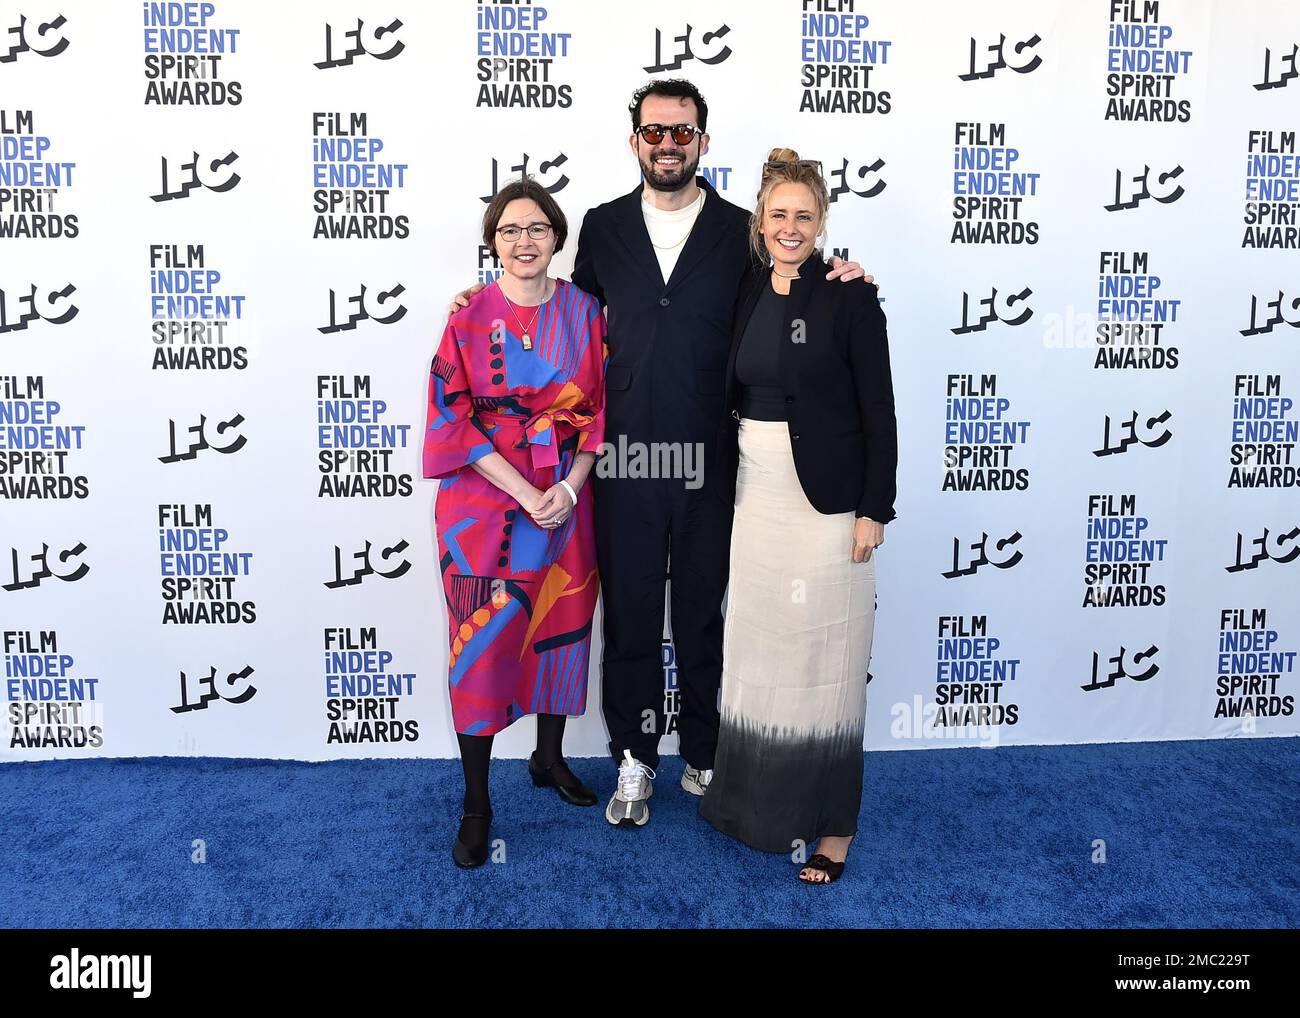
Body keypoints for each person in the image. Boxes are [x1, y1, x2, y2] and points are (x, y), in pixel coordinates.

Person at [453, 79, 874, 829]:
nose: (668, 143)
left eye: (682, 131)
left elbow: (789, 282)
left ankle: (705, 753)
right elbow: (559, 317)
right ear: (635, 141)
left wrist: (841, 274)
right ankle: (637, 757)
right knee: (637, 618)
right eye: (655, 132)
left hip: (715, 458)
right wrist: (478, 301)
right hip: (622, 463)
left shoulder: (744, 229)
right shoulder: (603, 226)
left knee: (708, 617)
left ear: (703, 141)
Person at [699, 150, 897, 885]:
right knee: (760, 653)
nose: (790, 227)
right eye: (778, 214)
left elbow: (878, 408)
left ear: (823, 225)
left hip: (829, 505)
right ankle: (747, 801)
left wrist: (874, 508)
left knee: (827, 661)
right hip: (756, 499)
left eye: (803, 217)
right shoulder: (748, 286)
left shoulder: (849, 297)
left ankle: (832, 828)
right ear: (760, 221)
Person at [423, 178, 607, 868]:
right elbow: (450, 417)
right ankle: (477, 802)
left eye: (537, 229)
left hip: (564, 497)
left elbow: (598, 412)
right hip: (481, 506)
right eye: (509, 230)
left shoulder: (587, 312)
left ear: (557, 238)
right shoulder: (468, 318)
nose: (523, 242)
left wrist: (566, 484)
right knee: (479, 646)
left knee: (561, 625)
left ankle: (548, 758)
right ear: (491, 243)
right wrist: (524, 493)